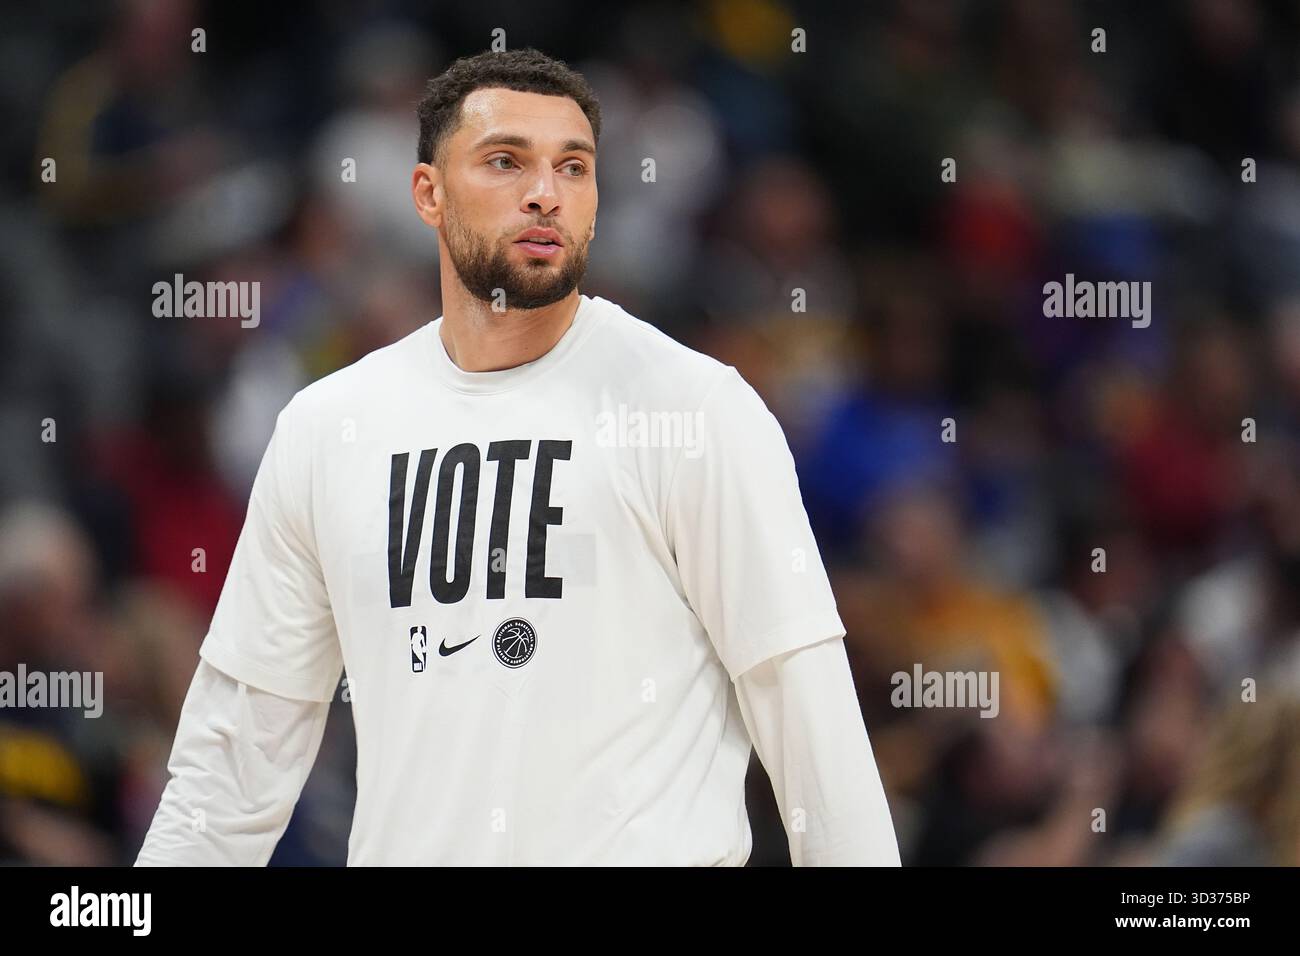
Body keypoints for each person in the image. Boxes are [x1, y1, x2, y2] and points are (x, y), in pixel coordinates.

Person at [135, 48, 899, 866]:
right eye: (506, 162)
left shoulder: (694, 409)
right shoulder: (329, 428)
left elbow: (813, 728)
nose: (546, 192)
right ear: (427, 193)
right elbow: (231, 767)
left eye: (573, 167)